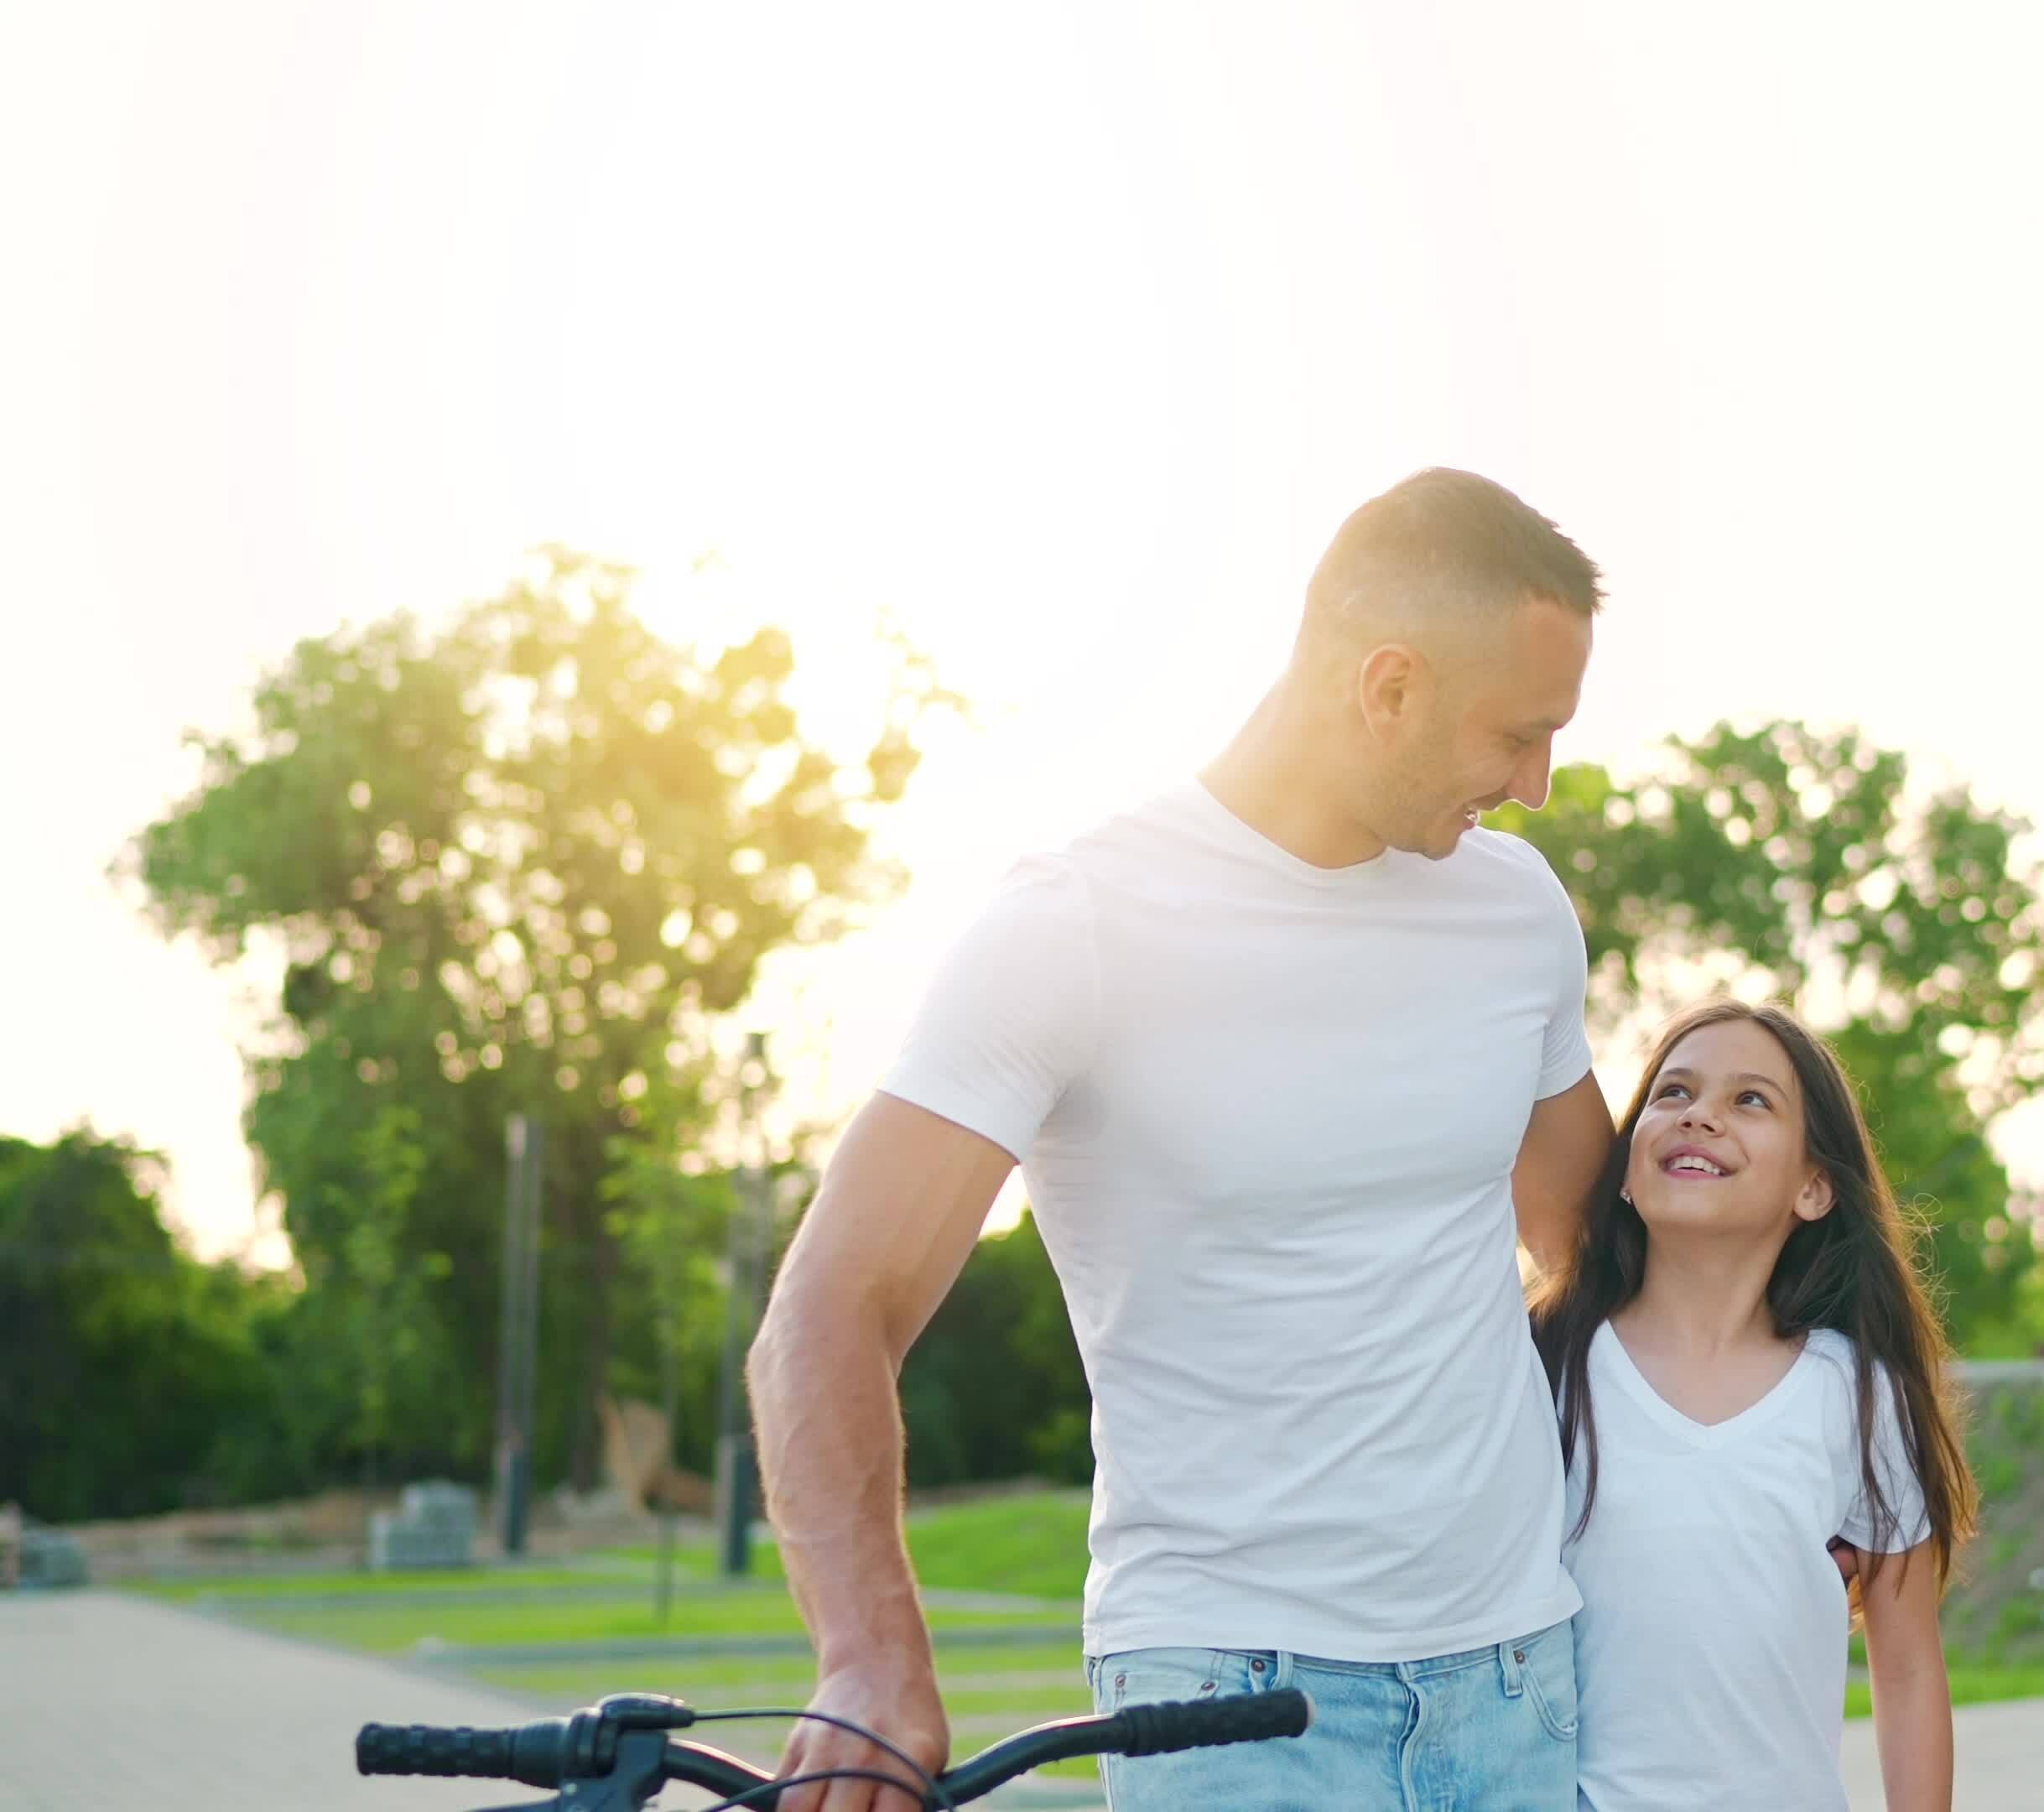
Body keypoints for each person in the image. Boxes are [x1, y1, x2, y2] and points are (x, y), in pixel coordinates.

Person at [746, 468, 1616, 1812]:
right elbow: (827, 1309)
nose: (1538, 785)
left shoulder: (1517, 911)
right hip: (1229, 1700)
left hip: (1517, 1681)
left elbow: (1599, 1256)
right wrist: (866, 1661)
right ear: (1388, 687)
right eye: (1518, 736)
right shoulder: (1078, 927)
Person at [1532, 998, 1975, 1812]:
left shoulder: (1858, 1393)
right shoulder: (1549, 1367)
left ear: (1814, 1187)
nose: (1699, 1115)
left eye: (1750, 1100)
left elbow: (1909, 1669)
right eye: (1673, 1092)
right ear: (1624, 1170)